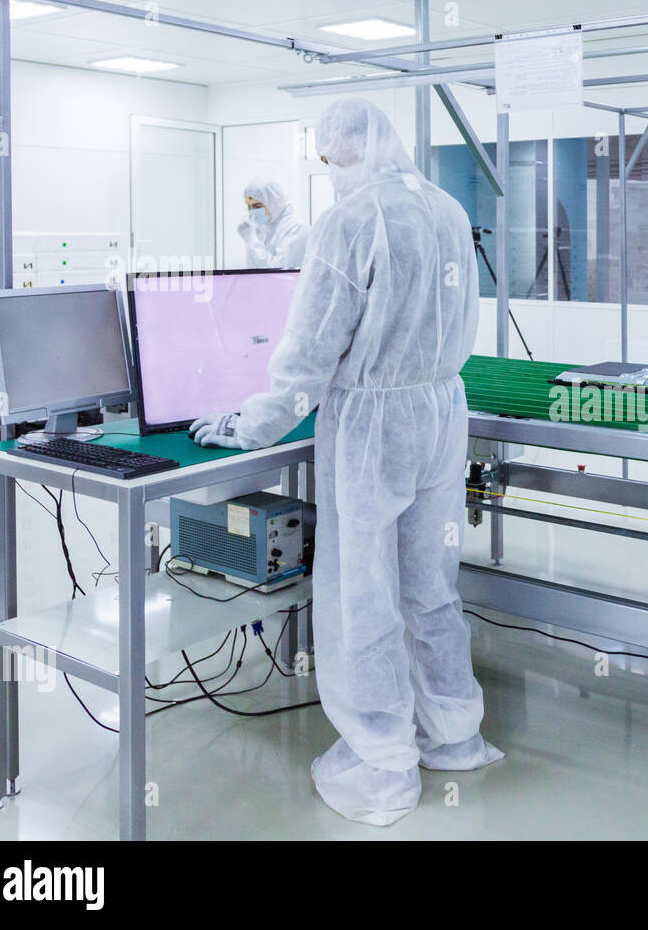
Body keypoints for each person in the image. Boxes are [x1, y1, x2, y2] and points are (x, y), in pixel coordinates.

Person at [192, 97, 502, 827]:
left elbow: (305, 360)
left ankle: (381, 766)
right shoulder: (448, 210)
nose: (328, 175)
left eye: (329, 161)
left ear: (344, 152)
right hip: (439, 412)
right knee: (430, 581)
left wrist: (249, 427)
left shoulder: (351, 221)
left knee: (359, 589)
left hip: (371, 424)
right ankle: (454, 735)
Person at [237, 179, 310, 269]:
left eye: (257, 206)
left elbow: (278, 272)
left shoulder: (296, 228)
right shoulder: (263, 226)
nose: (251, 211)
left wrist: (252, 241)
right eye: (249, 206)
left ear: (273, 202)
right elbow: (253, 268)